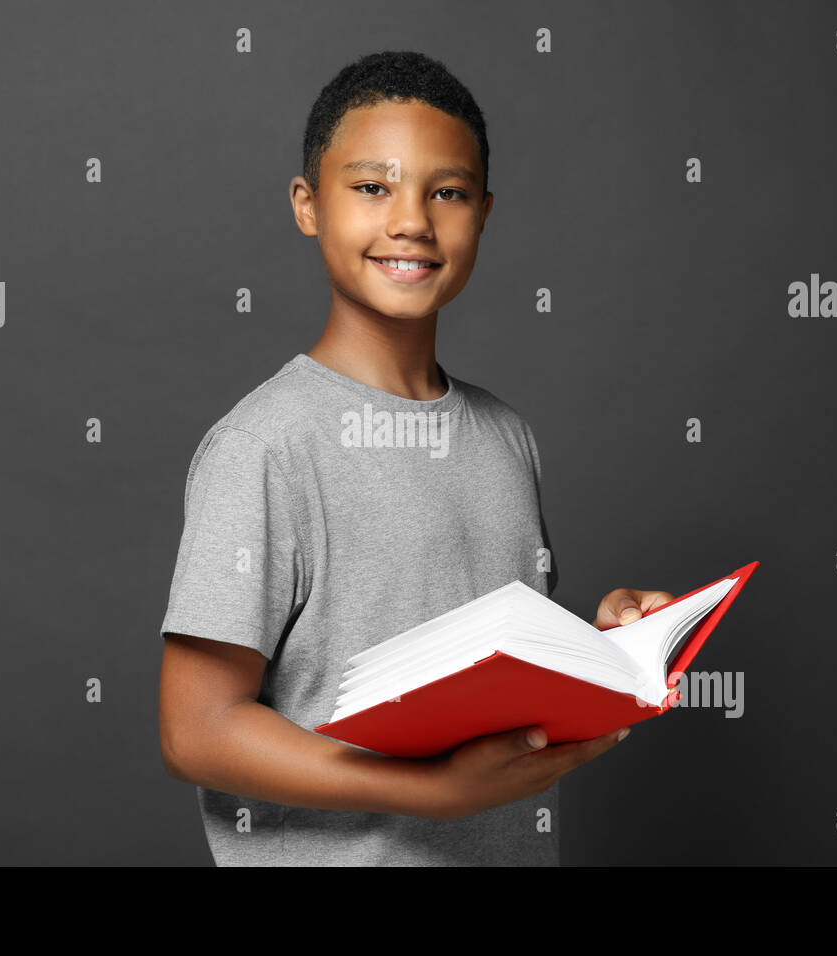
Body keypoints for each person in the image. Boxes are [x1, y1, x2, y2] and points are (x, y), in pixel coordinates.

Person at [157, 50, 675, 866]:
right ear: (307, 205)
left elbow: (469, 668)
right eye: (372, 187)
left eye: (448, 192)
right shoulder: (262, 448)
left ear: (484, 212)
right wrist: (424, 790)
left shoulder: (507, 437)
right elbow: (198, 730)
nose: (412, 221)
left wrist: (604, 648)